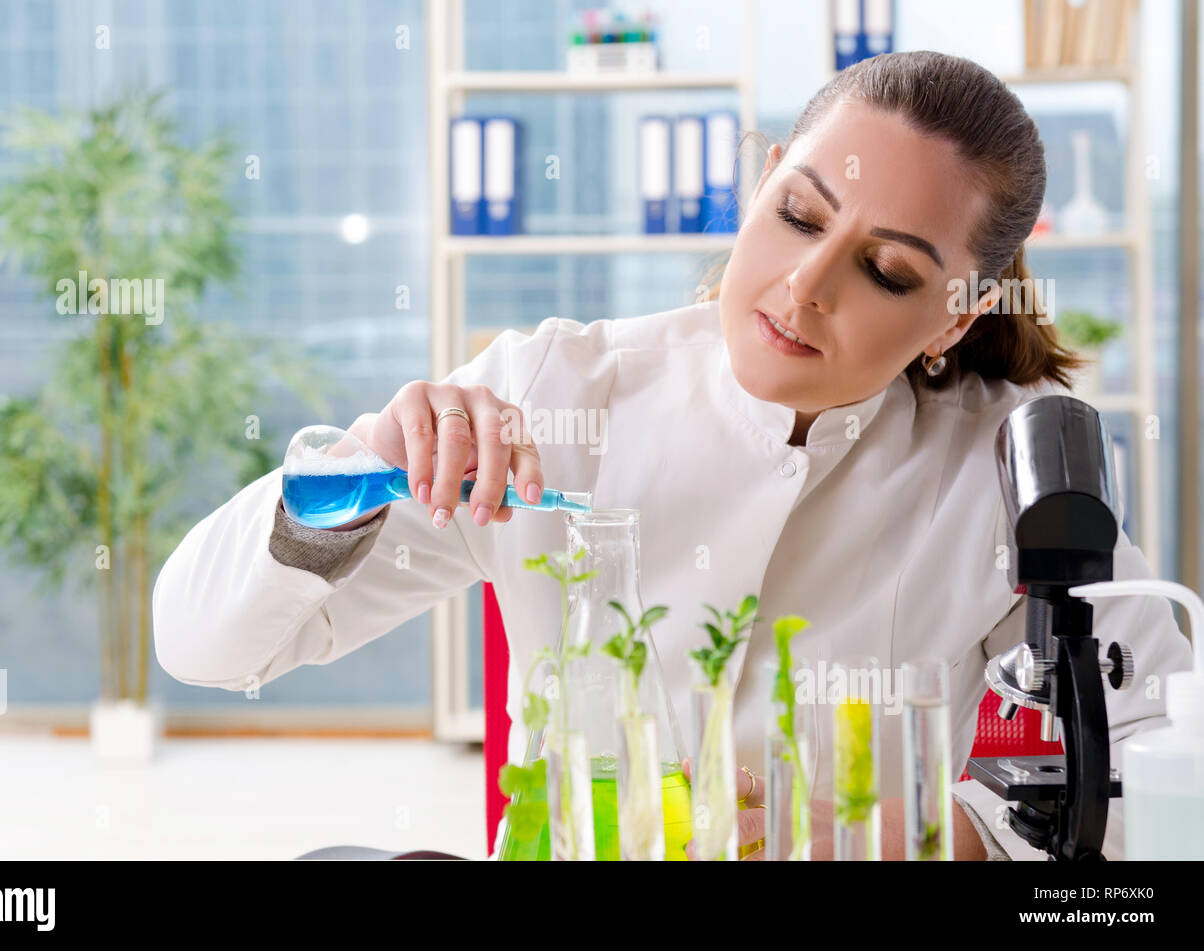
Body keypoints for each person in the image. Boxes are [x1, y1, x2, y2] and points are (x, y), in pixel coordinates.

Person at [153, 50, 1194, 861]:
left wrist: (937, 837)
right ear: (757, 190)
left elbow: (1156, 763)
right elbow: (203, 644)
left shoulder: (1008, 471)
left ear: (954, 320)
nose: (803, 287)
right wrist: (359, 470)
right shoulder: (551, 394)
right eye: (796, 215)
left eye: (883, 270)